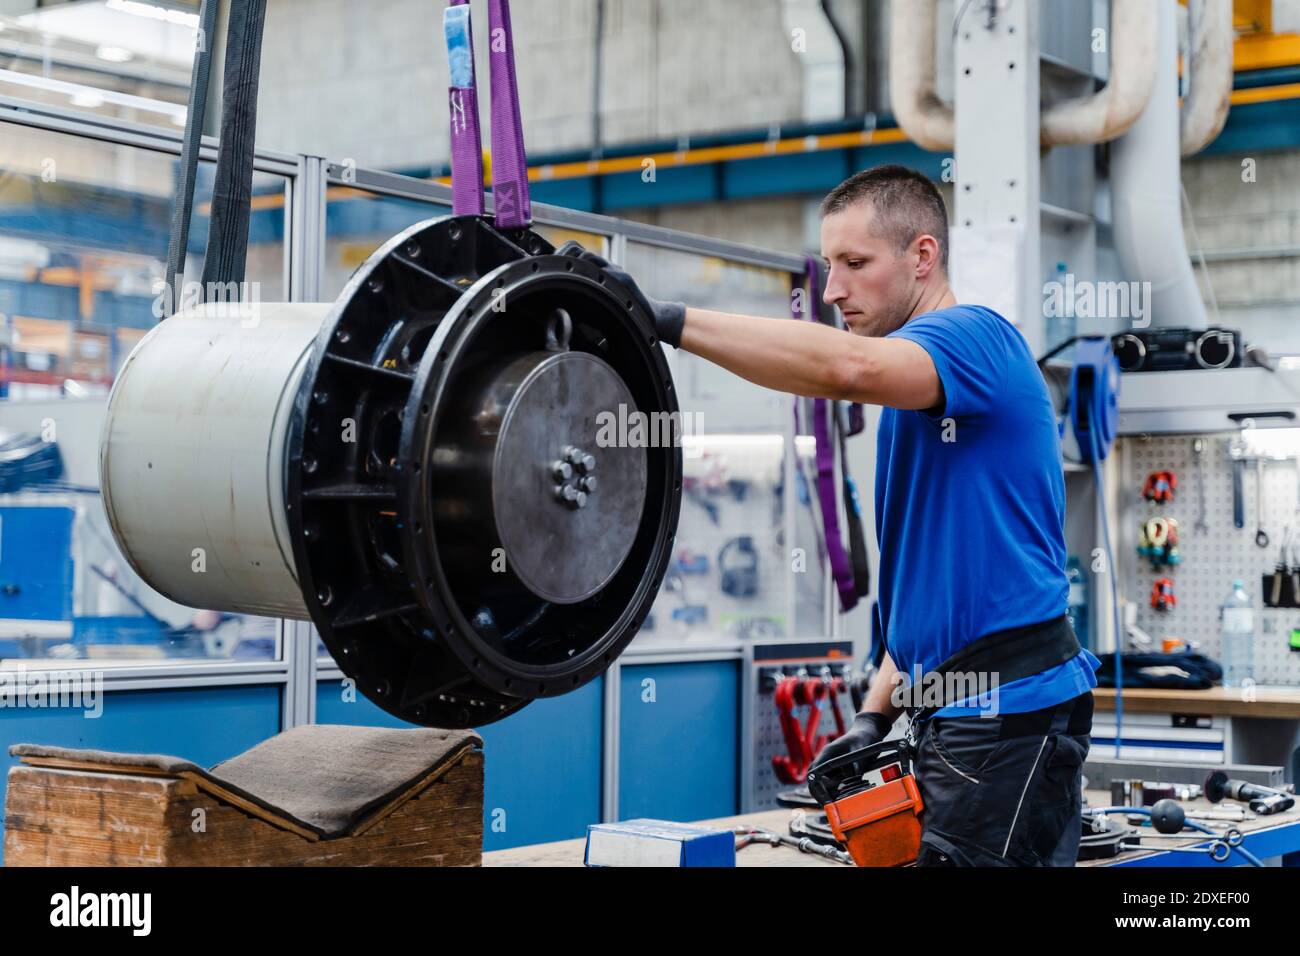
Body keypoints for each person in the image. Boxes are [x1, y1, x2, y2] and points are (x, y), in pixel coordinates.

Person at [563, 163, 1100, 867]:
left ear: (923, 256)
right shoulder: (917, 403)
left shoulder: (977, 340)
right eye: (827, 265)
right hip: (951, 716)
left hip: (1008, 716)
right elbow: (920, 597)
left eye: (855, 263)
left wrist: (664, 320)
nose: (834, 288)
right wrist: (876, 712)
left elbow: (846, 368)